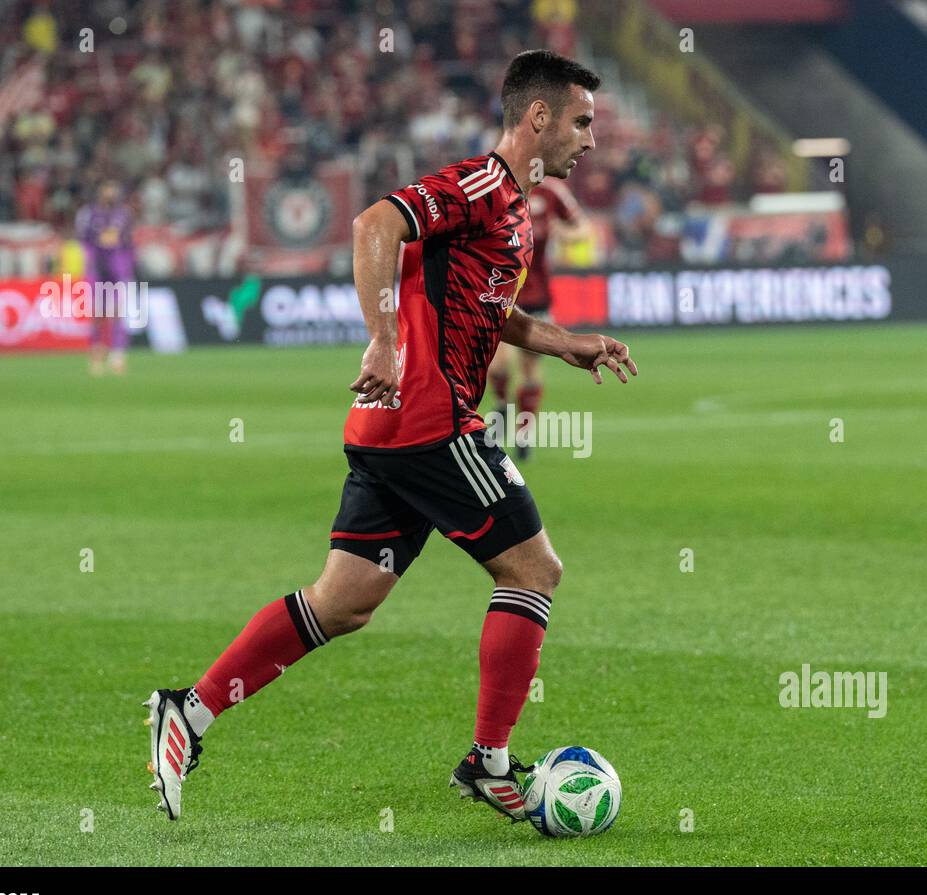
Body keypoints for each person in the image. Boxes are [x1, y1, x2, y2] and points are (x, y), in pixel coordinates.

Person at [143, 50, 637, 824]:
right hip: (430, 422)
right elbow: (374, 221)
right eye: (581, 121)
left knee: (343, 603)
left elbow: (486, 309)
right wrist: (382, 339)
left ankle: (188, 713)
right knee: (534, 571)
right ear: (537, 118)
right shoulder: (482, 184)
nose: (591, 139)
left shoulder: (512, 214)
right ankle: (491, 763)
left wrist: (560, 340)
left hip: (388, 432)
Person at [487, 176, 587, 458]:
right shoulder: (496, 190)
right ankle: (502, 404)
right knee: (497, 366)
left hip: (537, 297)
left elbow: (582, 229)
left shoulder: (552, 192)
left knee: (529, 368)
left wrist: (561, 234)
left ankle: (524, 433)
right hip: (502, 294)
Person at [76, 180, 136, 375]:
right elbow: (82, 239)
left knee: (117, 312)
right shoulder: (89, 214)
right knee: (98, 314)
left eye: (113, 190)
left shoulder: (124, 214)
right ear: (100, 193)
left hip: (117, 267)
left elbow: (128, 241)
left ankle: (118, 355)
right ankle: (95, 353)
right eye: (107, 190)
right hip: (97, 267)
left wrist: (127, 265)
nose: (111, 194)